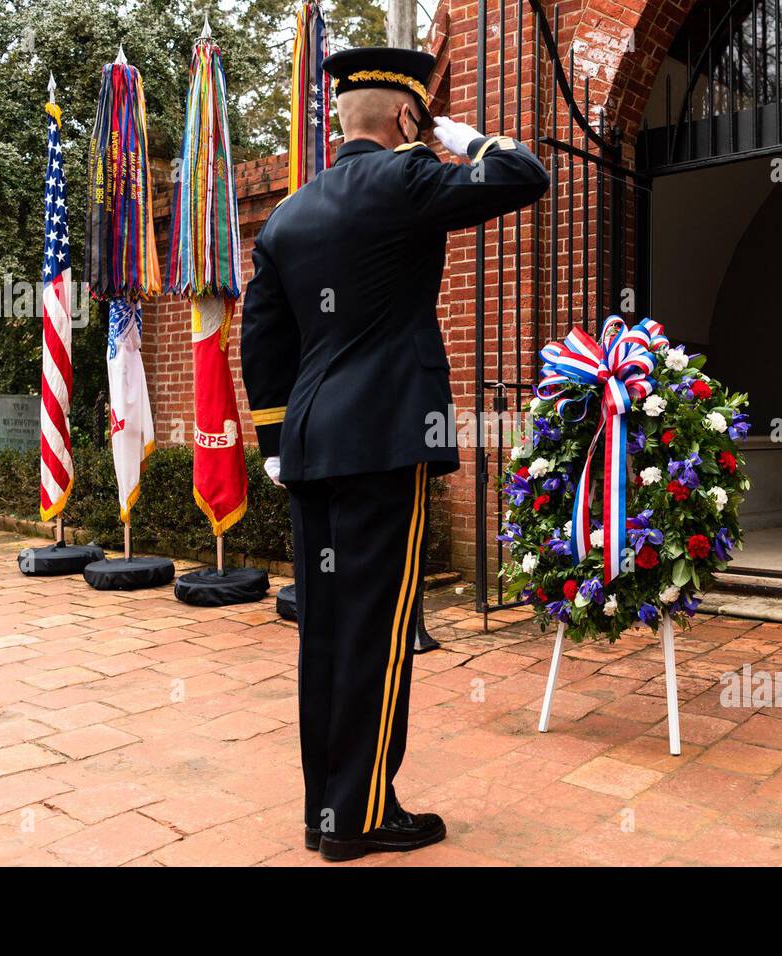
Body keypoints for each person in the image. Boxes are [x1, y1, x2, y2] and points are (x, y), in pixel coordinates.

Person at [239, 47, 548, 862]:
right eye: (423, 117)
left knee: (329, 633)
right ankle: (364, 816)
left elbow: (264, 339)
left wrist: (274, 441)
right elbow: (525, 175)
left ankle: (327, 811)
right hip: (382, 442)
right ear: (409, 116)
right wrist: (470, 139)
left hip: (309, 448)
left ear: (343, 118)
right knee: (377, 631)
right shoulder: (407, 179)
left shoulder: (289, 214)